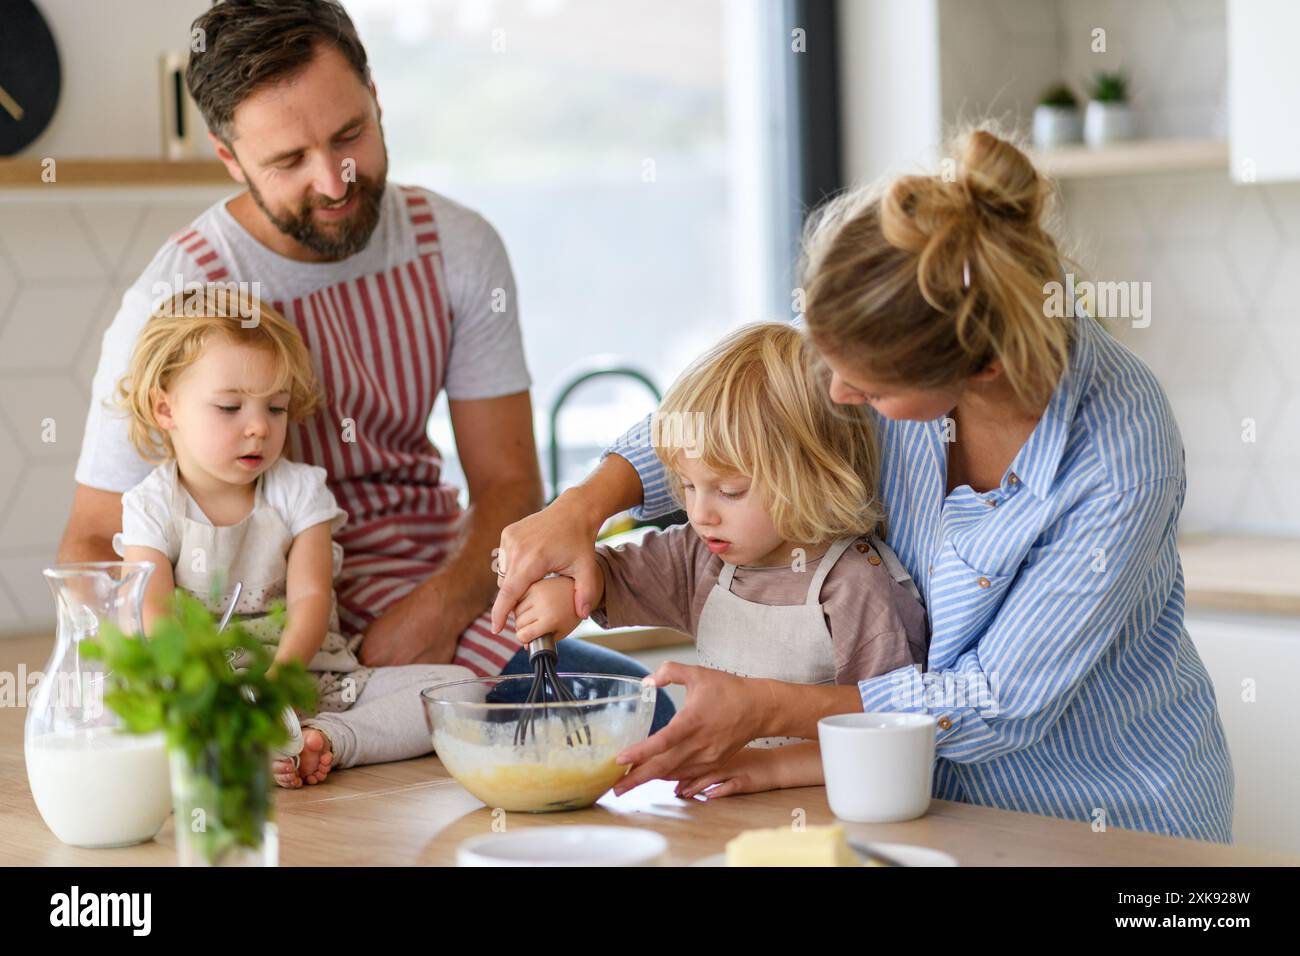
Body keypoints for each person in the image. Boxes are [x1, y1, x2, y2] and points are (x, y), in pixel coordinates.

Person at [492, 128, 1235, 843]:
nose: (834, 391)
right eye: (826, 355)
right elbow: (747, 415)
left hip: (1097, 819)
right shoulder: (880, 326)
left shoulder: (1116, 454)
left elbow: (994, 703)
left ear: (980, 371)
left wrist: (764, 712)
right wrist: (581, 508)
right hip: (908, 804)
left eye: (869, 389)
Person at [58, 0, 675, 732]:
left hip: (432, 596)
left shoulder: (457, 248)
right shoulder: (177, 294)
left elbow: (510, 483)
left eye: (349, 134)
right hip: (250, 641)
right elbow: (92, 544)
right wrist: (192, 666)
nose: (333, 180)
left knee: (644, 713)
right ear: (230, 160)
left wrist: (442, 607)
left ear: (376, 98)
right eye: (288, 161)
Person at [510, 322, 928, 798]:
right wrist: (566, 594)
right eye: (688, 486)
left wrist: (768, 768)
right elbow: (607, 578)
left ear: (812, 475)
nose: (700, 513)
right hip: (723, 811)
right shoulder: (699, 555)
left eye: (730, 491)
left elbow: (890, 732)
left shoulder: (855, 586)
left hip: (827, 816)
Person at [112, 287, 476, 786]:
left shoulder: (301, 491)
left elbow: (310, 596)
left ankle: (327, 739)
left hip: (309, 681)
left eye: (276, 408)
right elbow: (150, 612)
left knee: (460, 688)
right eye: (229, 407)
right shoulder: (152, 507)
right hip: (205, 687)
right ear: (165, 409)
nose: (259, 427)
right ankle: (245, 743)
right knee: (122, 711)